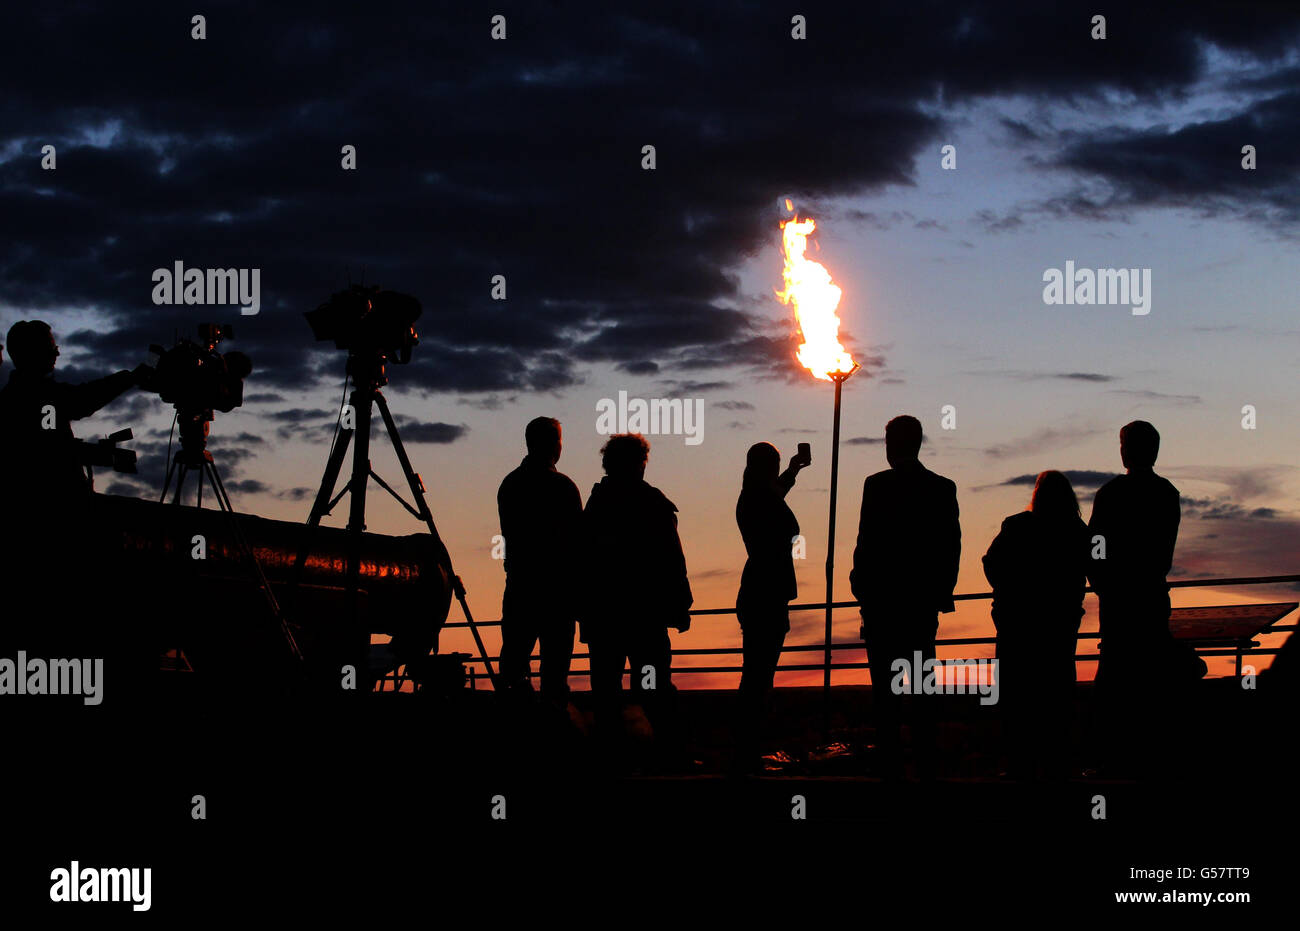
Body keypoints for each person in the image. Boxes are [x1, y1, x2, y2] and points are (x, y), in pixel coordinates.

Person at [850, 415, 960, 780]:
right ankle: (925, 761)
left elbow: (866, 543)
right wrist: (940, 591)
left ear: (892, 445)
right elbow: (950, 547)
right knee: (922, 683)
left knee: (885, 690)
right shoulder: (942, 488)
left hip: (883, 603)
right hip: (920, 604)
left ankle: (890, 764)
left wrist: (862, 588)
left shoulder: (876, 486)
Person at [579, 434, 692, 759]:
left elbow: (582, 560)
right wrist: (680, 606)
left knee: (606, 690)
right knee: (652, 685)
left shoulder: (596, 505)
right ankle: (670, 755)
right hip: (645, 618)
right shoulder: (653, 503)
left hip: (605, 618)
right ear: (639, 463)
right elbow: (673, 560)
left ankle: (611, 757)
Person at [1087, 420, 1188, 774]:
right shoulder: (1166, 493)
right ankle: (1151, 756)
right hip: (1148, 594)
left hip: (1118, 599)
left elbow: (1095, 544)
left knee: (1114, 676)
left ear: (1125, 450)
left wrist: (1100, 579)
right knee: (1149, 677)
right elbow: (1164, 553)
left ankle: (1109, 757)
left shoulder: (1110, 494)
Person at [982, 471, 1090, 781]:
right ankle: (1057, 763)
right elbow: (1092, 569)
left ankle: (1020, 764)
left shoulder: (1016, 526)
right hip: (1059, 625)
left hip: (1017, 624)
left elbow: (992, 564)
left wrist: (1008, 594)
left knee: (1017, 696)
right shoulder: (1077, 531)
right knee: (1056, 693)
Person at [732, 441, 810, 772]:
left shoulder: (754, 496)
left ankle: (748, 751)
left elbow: (776, 494)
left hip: (761, 592)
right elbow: (776, 504)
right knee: (759, 676)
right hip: (766, 593)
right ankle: (747, 754)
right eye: (776, 464)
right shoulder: (760, 499)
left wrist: (794, 469)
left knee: (758, 674)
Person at [495, 417, 583, 703]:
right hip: (557, 590)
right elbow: (577, 543)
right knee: (555, 669)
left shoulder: (510, 484)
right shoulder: (563, 487)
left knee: (514, 660)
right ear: (553, 444)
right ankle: (553, 722)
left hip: (520, 585)